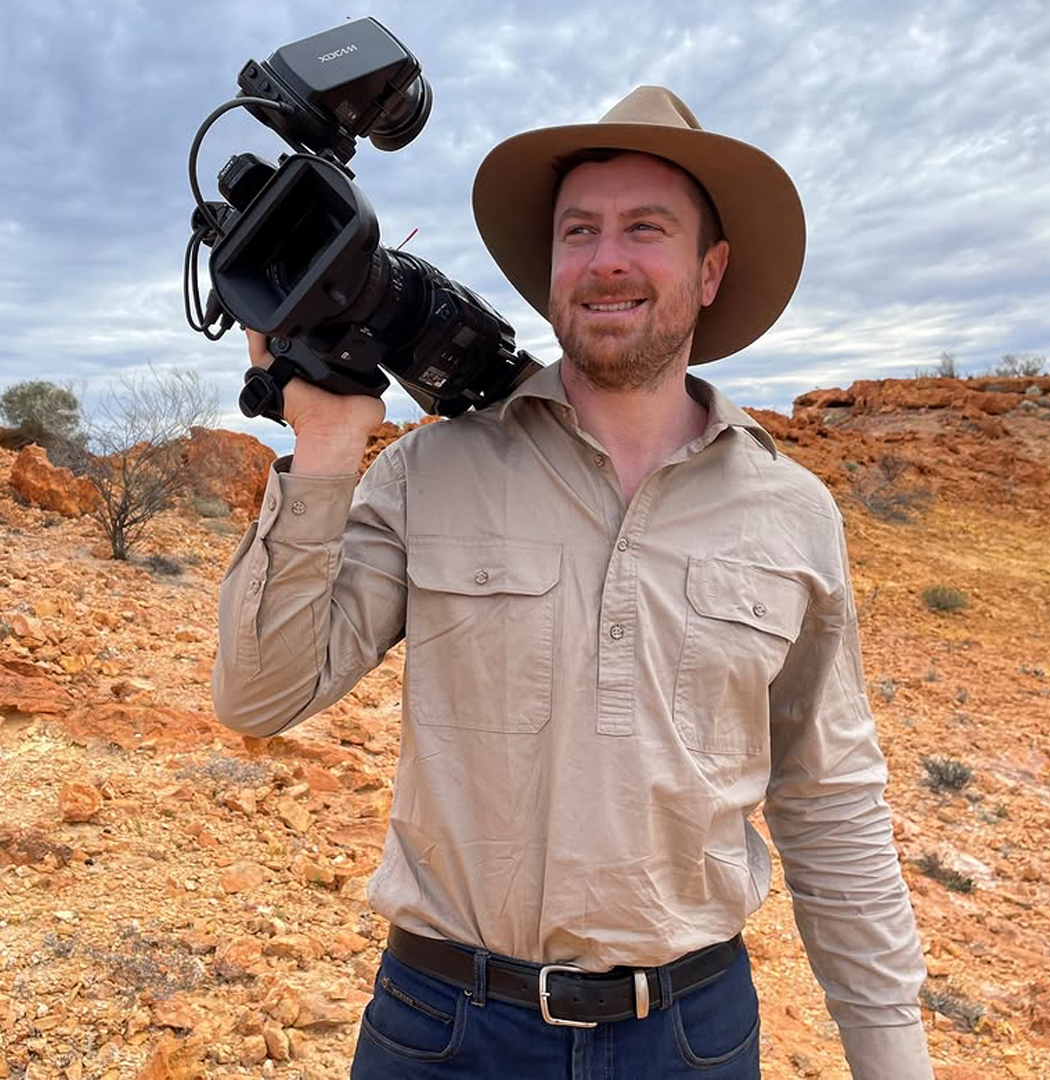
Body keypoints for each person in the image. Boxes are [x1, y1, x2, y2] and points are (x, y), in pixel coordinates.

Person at [213, 86, 933, 1079]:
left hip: (690, 1035)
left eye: (648, 228)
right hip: (443, 1028)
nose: (606, 261)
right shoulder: (429, 471)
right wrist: (330, 444)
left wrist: (890, 1055)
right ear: (550, 265)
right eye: (578, 231)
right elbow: (260, 693)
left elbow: (827, 796)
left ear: (710, 268)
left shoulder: (794, 512)